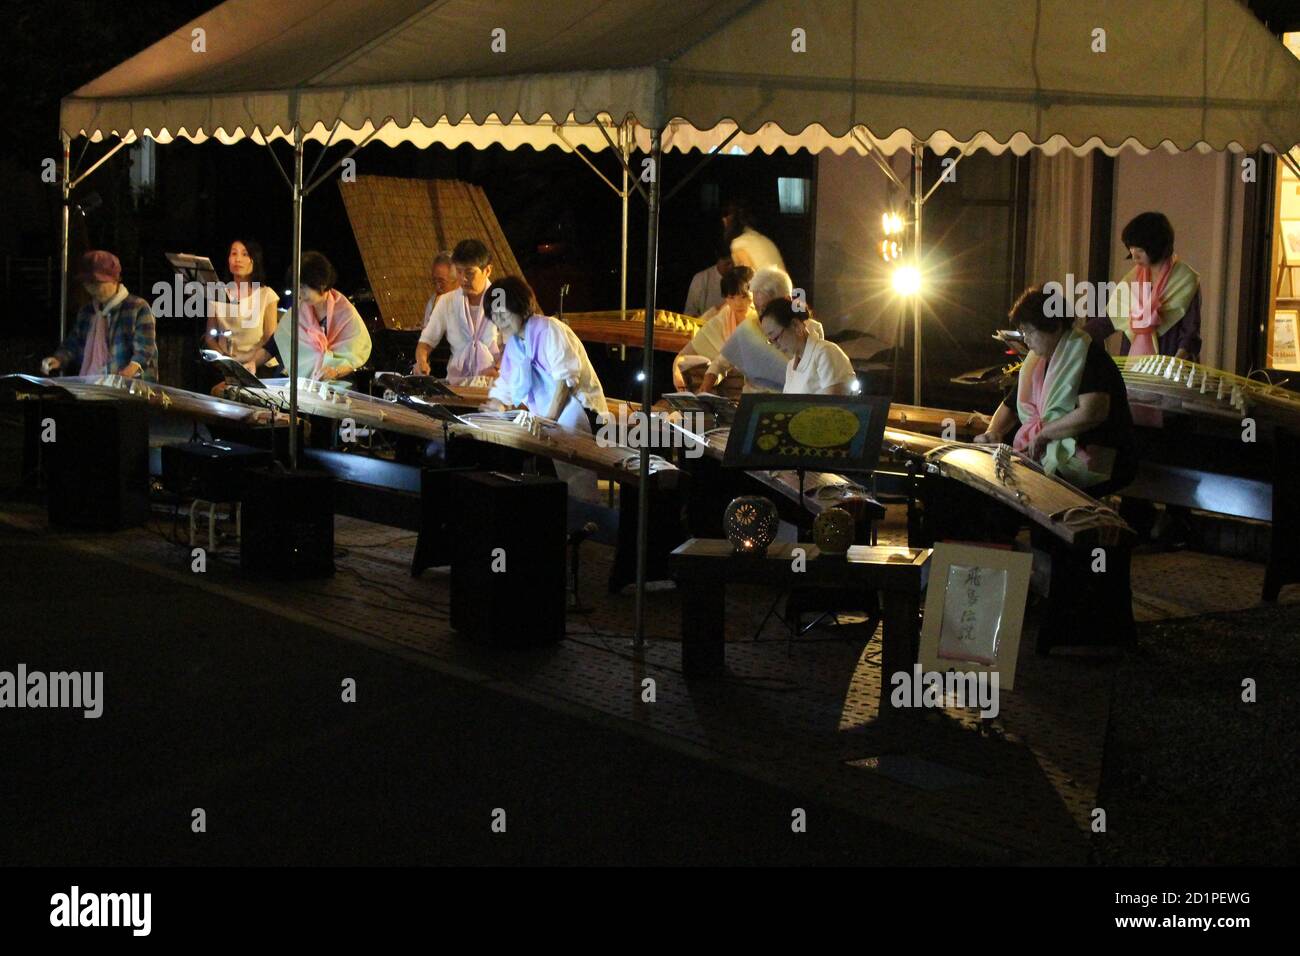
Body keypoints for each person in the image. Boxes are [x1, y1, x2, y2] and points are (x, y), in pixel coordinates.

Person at [976, 287, 1137, 496]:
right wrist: (993, 432)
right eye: (1023, 333)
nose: (1026, 340)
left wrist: (1044, 434)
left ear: (1054, 326)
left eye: (1030, 332)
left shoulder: (1088, 355)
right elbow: (1010, 405)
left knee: (1035, 492)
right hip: (1056, 449)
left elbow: (1092, 413)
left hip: (1099, 456)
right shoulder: (1037, 362)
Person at [481, 275, 608, 502]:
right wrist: (494, 406)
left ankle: (585, 522)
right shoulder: (515, 344)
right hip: (548, 418)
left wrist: (549, 420)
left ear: (520, 307)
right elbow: (506, 385)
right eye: (495, 316)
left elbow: (565, 380)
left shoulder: (549, 328)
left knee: (575, 479)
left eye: (504, 313)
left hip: (580, 411)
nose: (500, 321)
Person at [1084, 212, 1201, 360]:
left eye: (1140, 251)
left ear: (1156, 246)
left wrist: (1175, 362)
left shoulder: (1185, 280)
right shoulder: (1132, 280)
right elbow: (1107, 321)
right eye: (1131, 251)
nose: (1134, 257)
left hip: (1170, 367)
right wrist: (1074, 337)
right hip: (1133, 369)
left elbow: (1190, 332)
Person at [252, 251, 371, 381]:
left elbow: (354, 356)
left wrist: (335, 371)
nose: (299, 294)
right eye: (296, 287)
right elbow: (273, 345)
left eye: (303, 287)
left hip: (334, 384)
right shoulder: (298, 310)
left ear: (321, 284)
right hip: (298, 382)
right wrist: (251, 364)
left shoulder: (346, 314)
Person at [42, 250, 158, 382]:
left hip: (130, 390)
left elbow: (145, 350)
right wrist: (58, 359)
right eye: (88, 283)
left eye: (97, 283)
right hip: (92, 385)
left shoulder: (137, 307)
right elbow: (73, 343)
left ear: (115, 280)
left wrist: (130, 370)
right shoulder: (87, 311)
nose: (92, 288)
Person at [414, 239, 500, 384]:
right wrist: (421, 361)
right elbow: (426, 342)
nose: (463, 279)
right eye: (459, 272)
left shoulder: (502, 299)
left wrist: (497, 368)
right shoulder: (447, 302)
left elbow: (516, 346)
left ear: (487, 270)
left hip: (497, 388)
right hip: (458, 385)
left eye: (470, 273)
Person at [672, 265, 754, 391]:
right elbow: (683, 356)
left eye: (743, 296)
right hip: (718, 391)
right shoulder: (719, 322)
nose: (738, 303)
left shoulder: (760, 321)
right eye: (732, 297)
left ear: (753, 294)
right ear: (725, 298)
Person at [207, 238, 279, 371]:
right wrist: (224, 359)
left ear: (254, 260)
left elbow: (271, 341)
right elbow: (210, 338)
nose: (238, 259)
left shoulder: (266, 295)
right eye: (234, 254)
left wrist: (252, 364)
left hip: (258, 367)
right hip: (226, 367)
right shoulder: (217, 294)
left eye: (245, 254)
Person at [759, 298, 856, 395]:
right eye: (770, 341)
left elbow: (832, 404)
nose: (776, 346)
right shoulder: (790, 367)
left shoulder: (825, 352)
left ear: (795, 325)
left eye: (776, 338)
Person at [723, 199, 785, 274]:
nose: (723, 220)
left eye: (726, 215)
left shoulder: (739, 244)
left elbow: (746, 280)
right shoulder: (761, 238)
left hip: (767, 285)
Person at [683, 245, 731, 317]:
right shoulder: (701, 279)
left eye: (734, 262)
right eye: (727, 264)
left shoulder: (741, 278)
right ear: (718, 259)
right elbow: (689, 312)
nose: (731, 267)